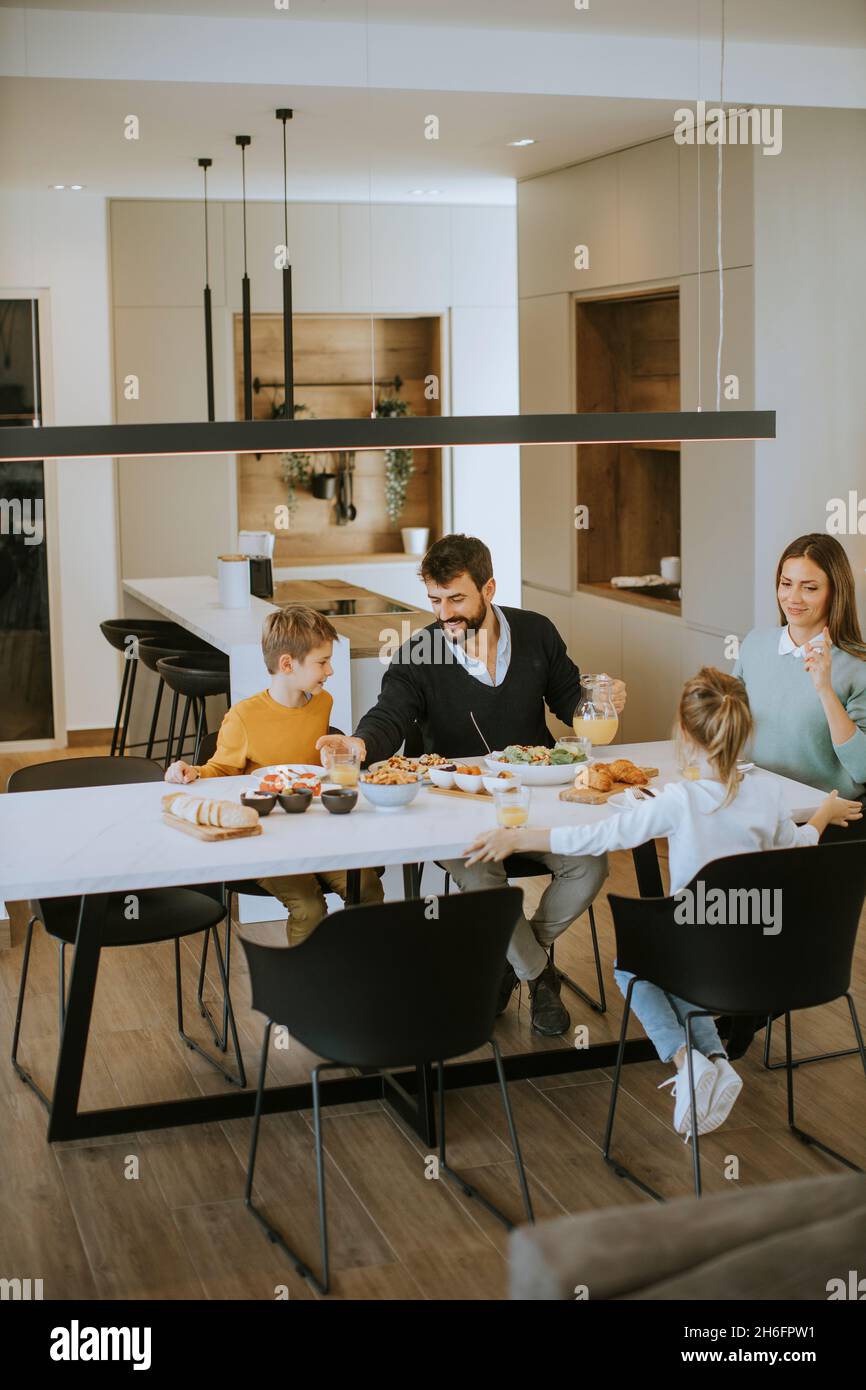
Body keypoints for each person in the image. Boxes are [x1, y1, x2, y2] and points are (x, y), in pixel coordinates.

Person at [465, 667, 862, 1138]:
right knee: (670, 955)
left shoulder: (679, 799)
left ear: (684, 733)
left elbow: (599, 836)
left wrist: (520, 836)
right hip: (762, 956)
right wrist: (824, 814)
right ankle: (715, 1062)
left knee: (634, 966)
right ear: (744, 732)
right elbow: (794, 847)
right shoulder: (769, 794)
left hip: (699, 959)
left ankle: (683, 1057)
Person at [316, 533, 627, 1037]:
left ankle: (511, 962)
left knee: (591, 864)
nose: (445, 614)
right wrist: (357, 744)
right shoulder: (419, 654)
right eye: (435, 601)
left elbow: (571, 699)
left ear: (488, 588)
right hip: (455, 808)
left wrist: (602, 698)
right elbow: (390, 715)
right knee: (483, 879)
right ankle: (541, 975)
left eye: (456, 599)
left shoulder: (536, 633)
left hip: (534, 804)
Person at [165, 605, 383, 944]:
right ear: (287, 664)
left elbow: (311, 761)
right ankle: (303, 985)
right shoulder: (244, 717)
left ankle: (351, 972)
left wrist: (333, 756)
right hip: (266, 838)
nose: (331, 670)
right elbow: (220, 770)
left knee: (368, 887)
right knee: (309, 908)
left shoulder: (322, 702)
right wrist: (190, 771)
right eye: (322, 662)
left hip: (316, 829)